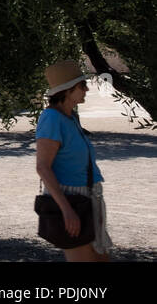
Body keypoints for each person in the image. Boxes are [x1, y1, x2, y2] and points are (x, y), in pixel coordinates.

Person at [34, 60, 112, 261]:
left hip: (89, 196)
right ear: (67, 90)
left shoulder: (70, 117)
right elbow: (43, 167)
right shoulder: (51, 118)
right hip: (71, 199)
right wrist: (67, 210)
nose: (86, 89)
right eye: (82, 86)